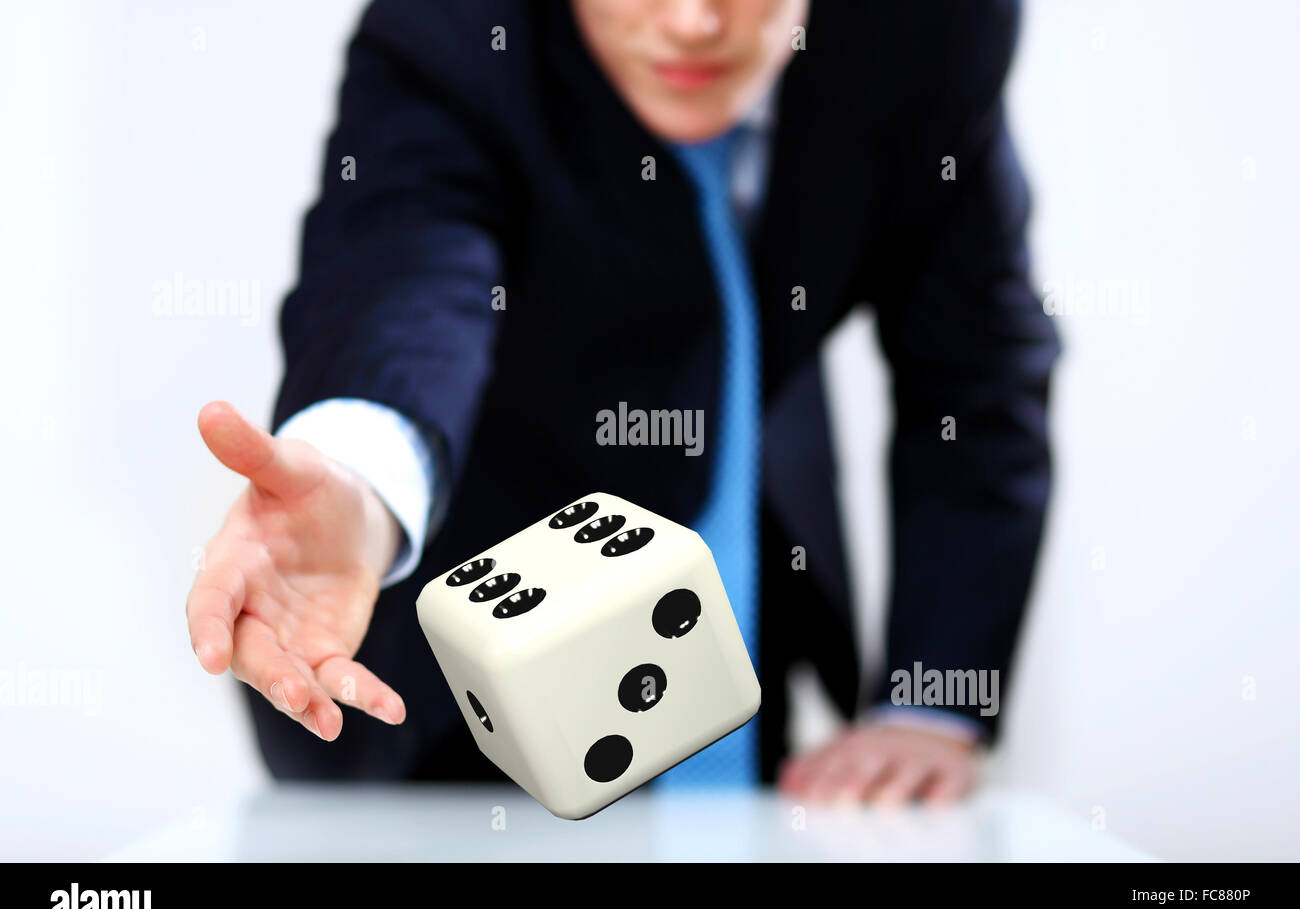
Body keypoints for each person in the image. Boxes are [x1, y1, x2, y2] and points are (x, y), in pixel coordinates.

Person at [186, 0, 1059, 804]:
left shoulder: (932, 28)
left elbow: (977, 378)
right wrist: (364, 480)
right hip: (455, 716)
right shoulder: (449, 33)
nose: (690, 21)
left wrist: (933, 702)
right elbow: (402, 273)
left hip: (750, 659)